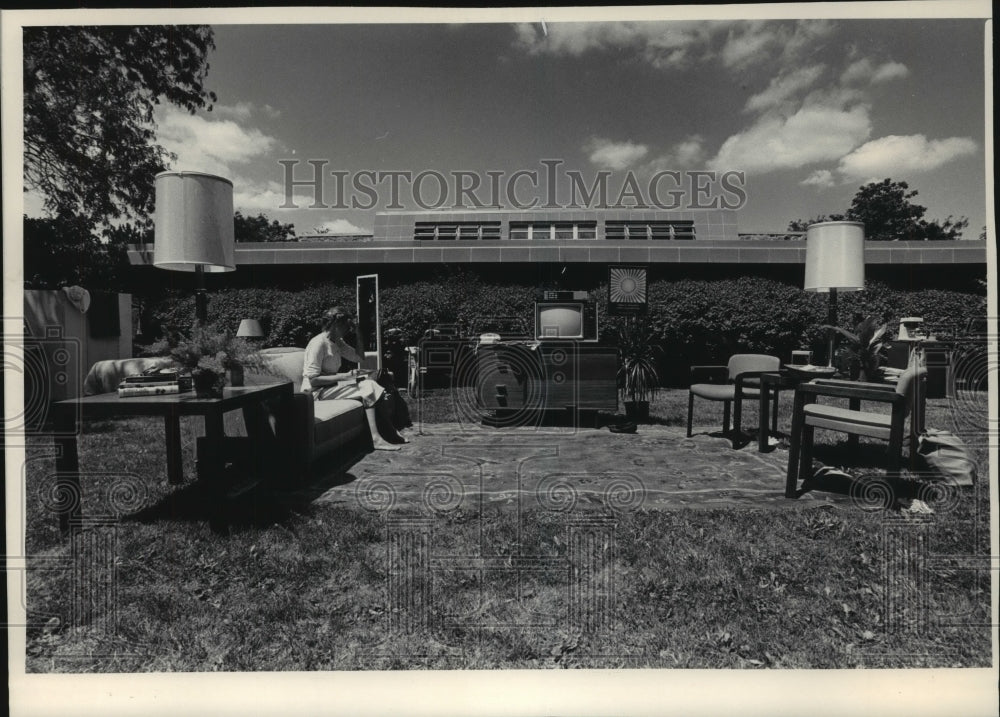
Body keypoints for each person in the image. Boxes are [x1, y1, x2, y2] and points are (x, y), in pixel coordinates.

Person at [302, 306, 407, 451]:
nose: (348, 329)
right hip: (315, 392)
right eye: (346, 325)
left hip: (330, 387)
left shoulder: (337, 342)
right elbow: (313, 379)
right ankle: (378, 438)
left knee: (370, 382)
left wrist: (358, 333)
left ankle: (388, 430)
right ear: (336, 324)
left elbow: (359, 357)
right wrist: (345, 376)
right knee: (368, 386)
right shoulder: (318, 343)